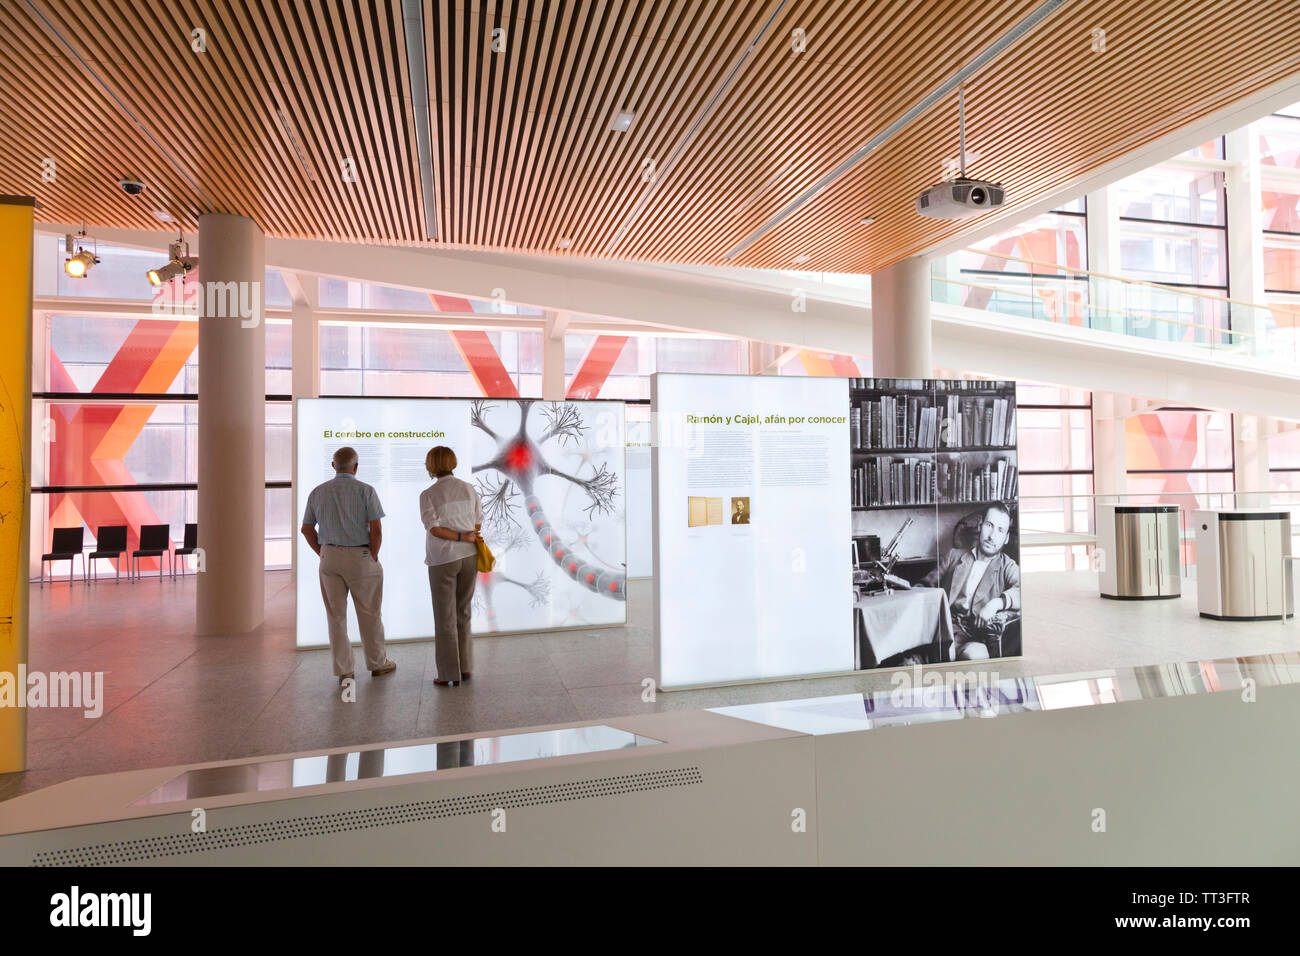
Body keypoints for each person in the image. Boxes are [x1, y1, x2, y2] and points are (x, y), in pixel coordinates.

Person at [300, 447, 396, 684]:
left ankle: (344, 670)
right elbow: (376, 529)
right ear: (356, 466)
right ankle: (377, 662)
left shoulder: (317, 492)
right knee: (370, 613)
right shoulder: (366, 491)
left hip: (329, 558)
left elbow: (306, 529)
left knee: (335, 616)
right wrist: (372, 555)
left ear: (334, 466)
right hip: (360, 557)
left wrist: (322, 552)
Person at [922, 502, 1020, 661]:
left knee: (976, 659)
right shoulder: (954, 556)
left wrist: (995, 604)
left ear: (1007, 538)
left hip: (974, 638)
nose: (992, 535)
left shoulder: (1007, 566)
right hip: (943, 632)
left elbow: (1024, 589)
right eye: (989, 525)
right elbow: (924, 586)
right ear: (980, 525)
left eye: (1000, 530)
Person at [419, 446, 484, 686]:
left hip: (443, 559)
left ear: (431, 465)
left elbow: (434, 528)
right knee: (463, 612)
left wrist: (456, 537)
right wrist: (465, 537)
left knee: (444, 617)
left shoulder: (428, 494)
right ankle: (466, 668)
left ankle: (448, 674)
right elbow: (477, 524)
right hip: (469, 556)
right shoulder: (468, 488)